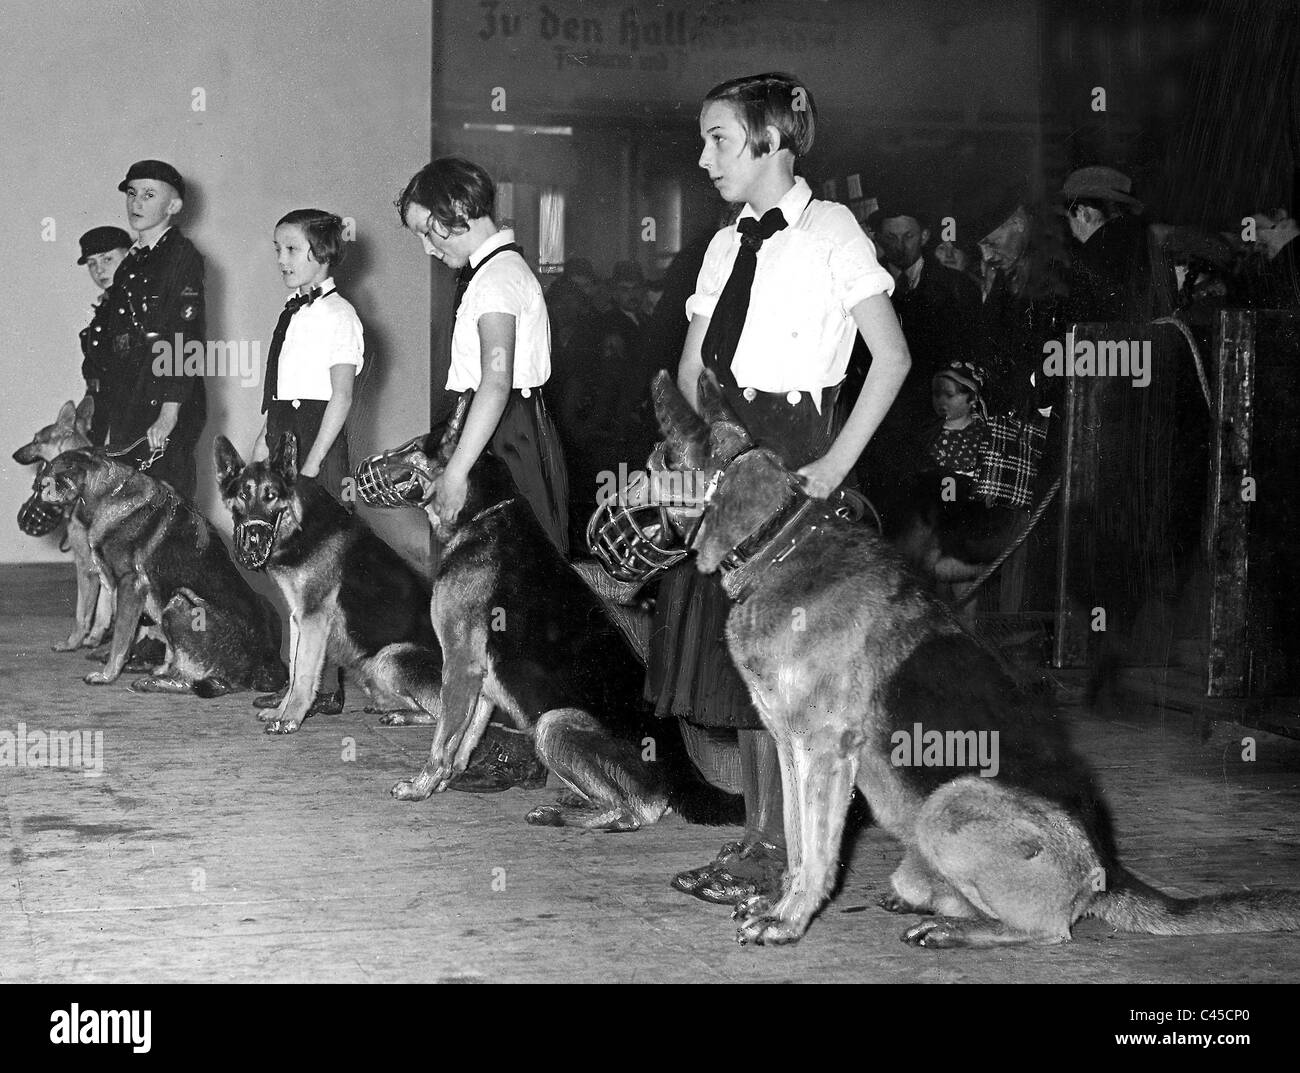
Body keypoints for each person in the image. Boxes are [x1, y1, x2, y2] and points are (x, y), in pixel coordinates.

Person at [650, 72, 909, 904]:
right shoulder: (727, 242)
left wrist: (833, 467)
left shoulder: (833, 230)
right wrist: (682, 454)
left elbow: (893, 359)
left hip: (798, 463)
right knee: (739, 672)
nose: (703, 157)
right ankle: (760, 842)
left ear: (771, 140)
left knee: (795, 671)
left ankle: (788, 855)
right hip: (732, 459)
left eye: (718, 139)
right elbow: (693, 368)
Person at [398, 157, 570, 557]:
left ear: (458, 209)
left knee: (513, 564)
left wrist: (456, 473)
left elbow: (495, 383)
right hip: (497, 425)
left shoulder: (496, 280)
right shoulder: (490, 272)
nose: (428, 247)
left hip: (508, 434)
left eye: (428, 232)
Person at [96, 159, 207, 500]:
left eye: (148, 194)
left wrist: (170, 411)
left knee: (167, 503)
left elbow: (185, 335)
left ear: (173, 206)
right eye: (131, 193)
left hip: (166, 399)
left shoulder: (182, 256)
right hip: (129, 400)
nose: (136, 203)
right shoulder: (131, 262)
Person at [253, 209, 362, 501]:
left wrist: (312, 465)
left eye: (291, 249)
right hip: (281, 434)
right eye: (278, 250)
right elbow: (286, 384)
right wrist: (264, 440)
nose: (280, 259)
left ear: (324, 253)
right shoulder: (292, 310)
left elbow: (342, 396)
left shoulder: (340, 314)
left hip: (317, 446)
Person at [76, 226, 134, 447]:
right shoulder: (105, 309)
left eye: (107, 259)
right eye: (92, 263)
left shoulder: (140, 303)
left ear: (130, 256)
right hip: (101, 415)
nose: (99, 270)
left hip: (131, 415)